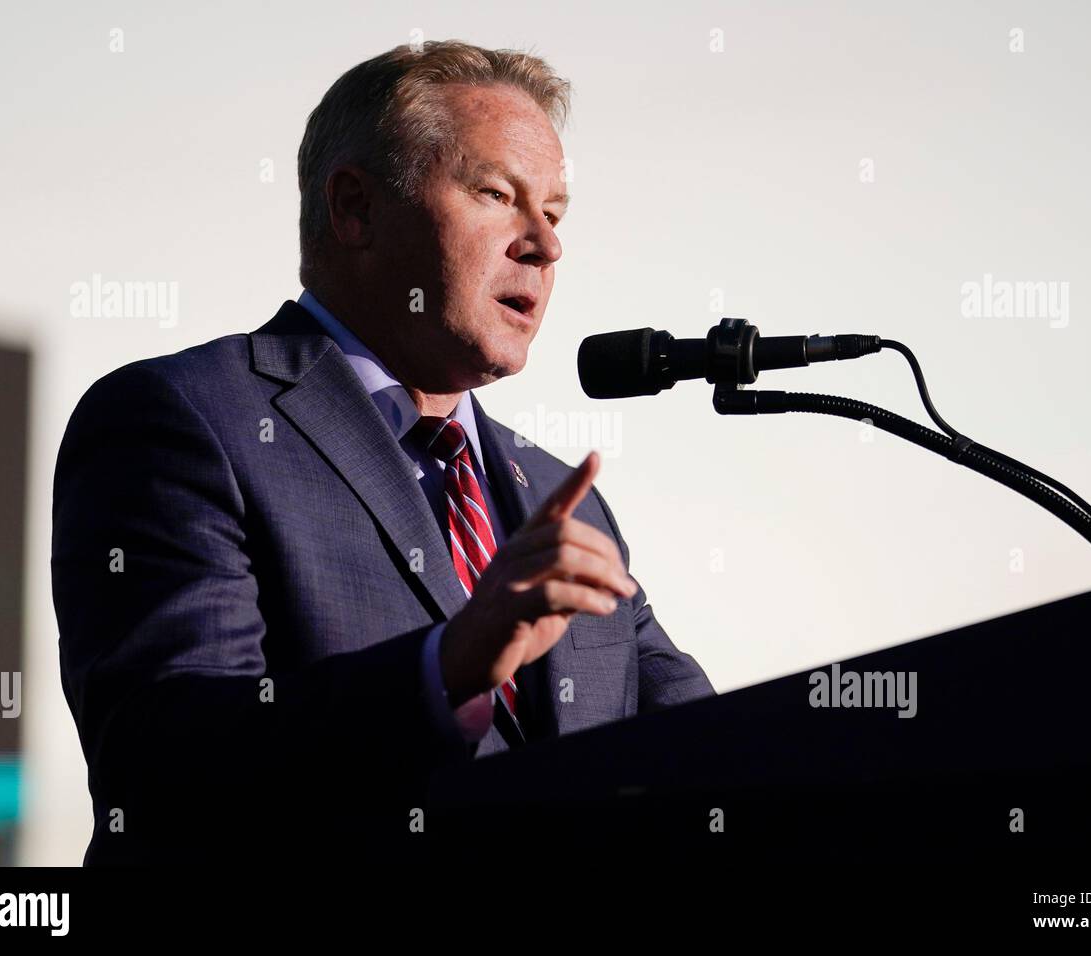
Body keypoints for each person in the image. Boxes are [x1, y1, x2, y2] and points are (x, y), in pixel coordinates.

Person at [51, 39, 713, 865]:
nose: (544, 245)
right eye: (497, 195)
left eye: (555, 211)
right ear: (356, 208)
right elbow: (165, 763)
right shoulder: (182, 419)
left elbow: (714, 756)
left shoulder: (559, 496)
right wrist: (447, 667)